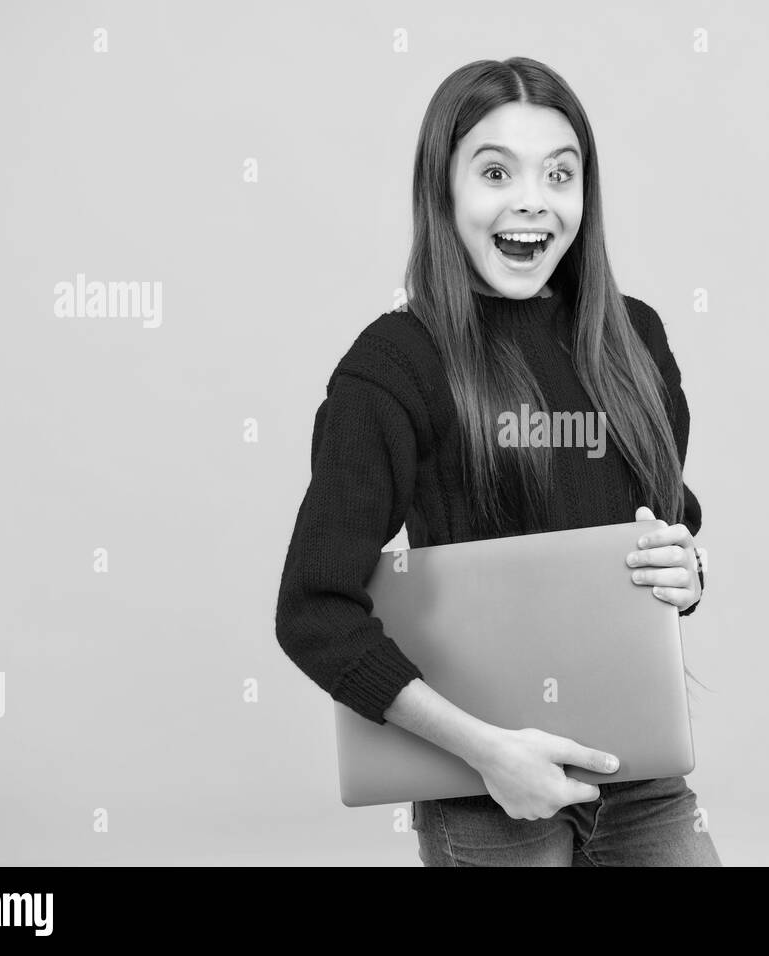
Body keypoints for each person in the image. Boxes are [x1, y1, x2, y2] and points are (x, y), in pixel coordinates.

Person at [275, 56, 718, 866]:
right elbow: (314, 610)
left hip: (638, 775)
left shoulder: (636, 338)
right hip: (480, 783)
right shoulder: (394, 364)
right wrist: (483, 752)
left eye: (560, 173)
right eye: (494, 171)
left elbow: (667, 519)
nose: (531, 199)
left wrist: (685, 573)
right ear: (442, 191)